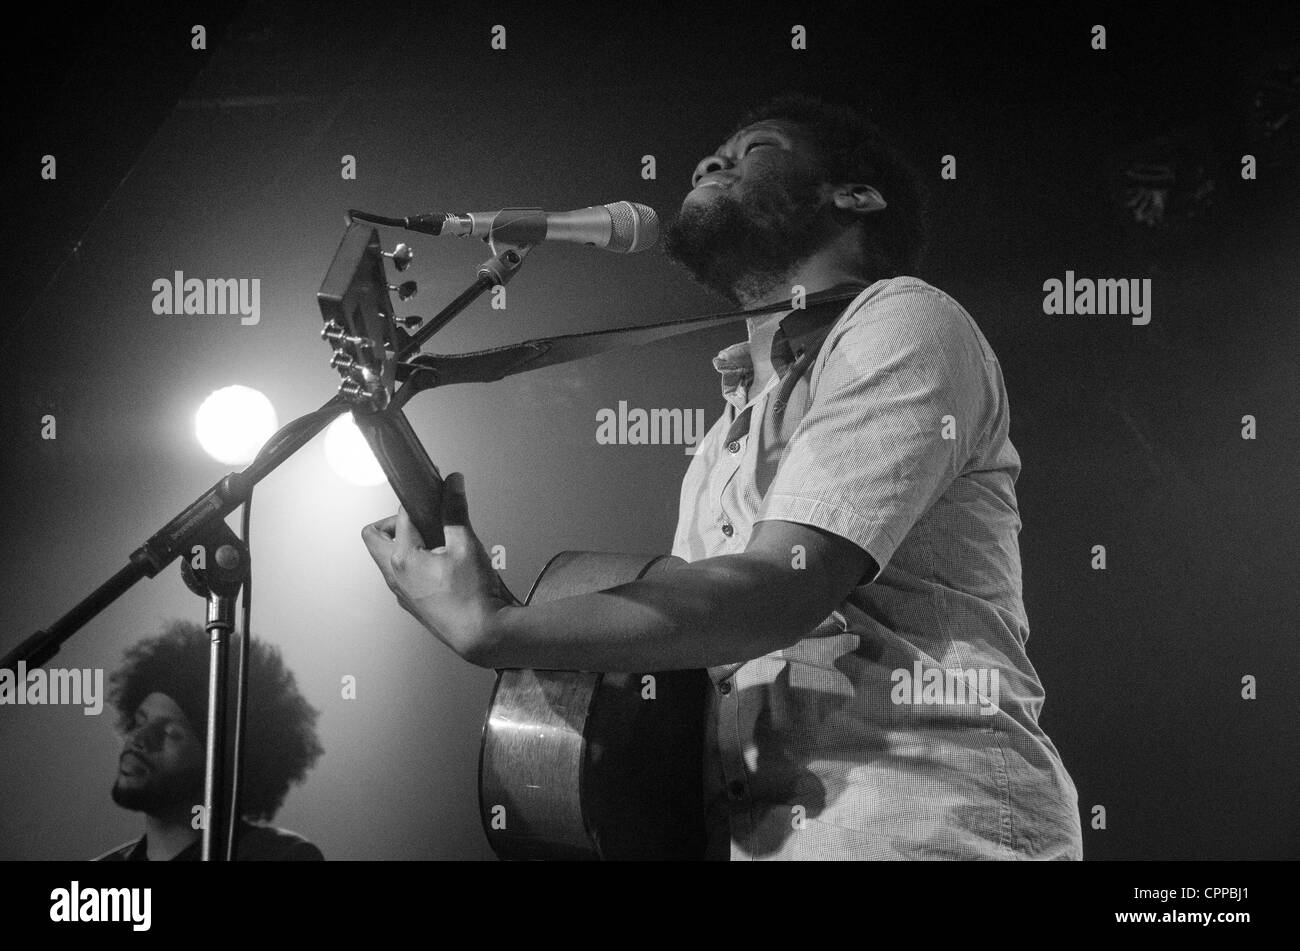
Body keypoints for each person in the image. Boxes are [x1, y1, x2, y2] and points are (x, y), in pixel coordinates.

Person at [362, 93, 1083, 860]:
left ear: (854, 196)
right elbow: (705, 661)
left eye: (754, 150)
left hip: (925, 824)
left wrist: (501, 629)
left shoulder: (906, 318)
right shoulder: (720, 441)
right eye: (715, 153)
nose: (710, 162)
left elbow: (780, 588)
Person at [95, 620, 324, 861]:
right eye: (140, 721)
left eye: (172, 733)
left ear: (224, 760)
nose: (139, 739)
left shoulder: (277, 857)